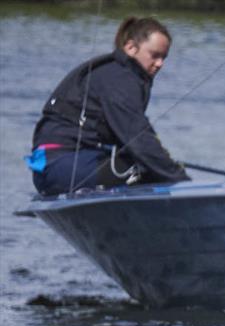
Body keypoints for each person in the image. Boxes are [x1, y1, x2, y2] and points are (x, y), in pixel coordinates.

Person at [26, 16, 189, 196]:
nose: (160, 64)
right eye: (155, 55)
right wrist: (182, 181)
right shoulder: (120, 78)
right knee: (147, 169)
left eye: (164, 57)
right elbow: (139, 140)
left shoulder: (118, 73)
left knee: (145, 165)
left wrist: (167, 167)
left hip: (55, 168)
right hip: (63, 166)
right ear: (130, 48)